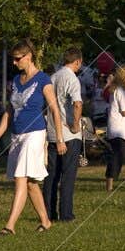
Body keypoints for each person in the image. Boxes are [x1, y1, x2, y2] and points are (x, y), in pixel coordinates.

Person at [0, 39, 67, 234]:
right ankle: (45, 221)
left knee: (20, 178)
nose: (14, 63)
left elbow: (55, 110)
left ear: (28, 57)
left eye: (17, 59)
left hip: (35, 134)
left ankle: (10, 226)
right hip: (16, 135)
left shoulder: (43, 80)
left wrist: (59, 138)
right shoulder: (15, 81)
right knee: (31, 183)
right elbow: (9, 111)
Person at [46, 49, 84, 221]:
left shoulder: (53, 78)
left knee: (52, 175)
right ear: (77, 62)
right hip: (69, 133)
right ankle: (66, 214)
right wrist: (76, 125)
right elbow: (77, 104)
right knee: (68, 176)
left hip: (53, 131)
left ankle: (48, 212)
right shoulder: (72, 79)